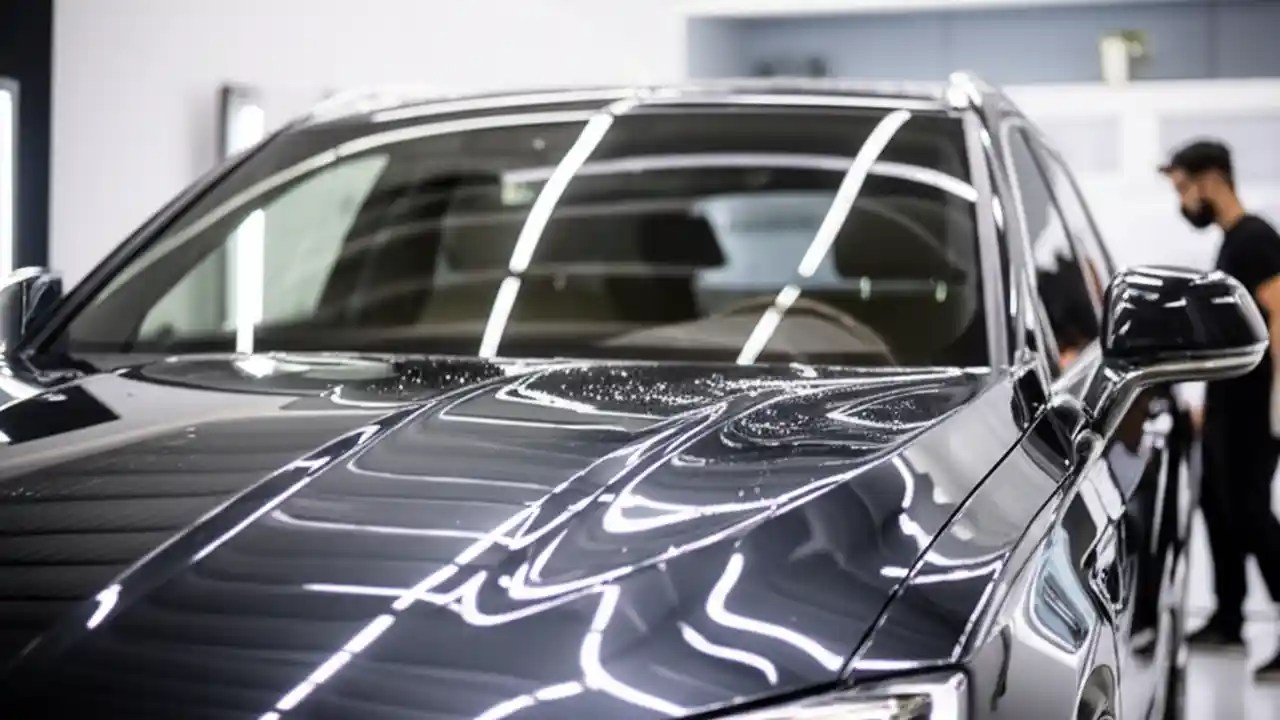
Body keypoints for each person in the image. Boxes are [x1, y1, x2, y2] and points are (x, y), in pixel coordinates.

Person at [1162, 140, 1280, 681]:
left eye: (1184, 188)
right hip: (1230, 405)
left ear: (1210, 180)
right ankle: (1229, 618)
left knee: (1251, 512)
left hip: (1255, 408)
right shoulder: (1234, 242)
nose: (1184, 202)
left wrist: (1275, 402)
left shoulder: (1255, 239)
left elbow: (1279, 316)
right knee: (1218, 504)